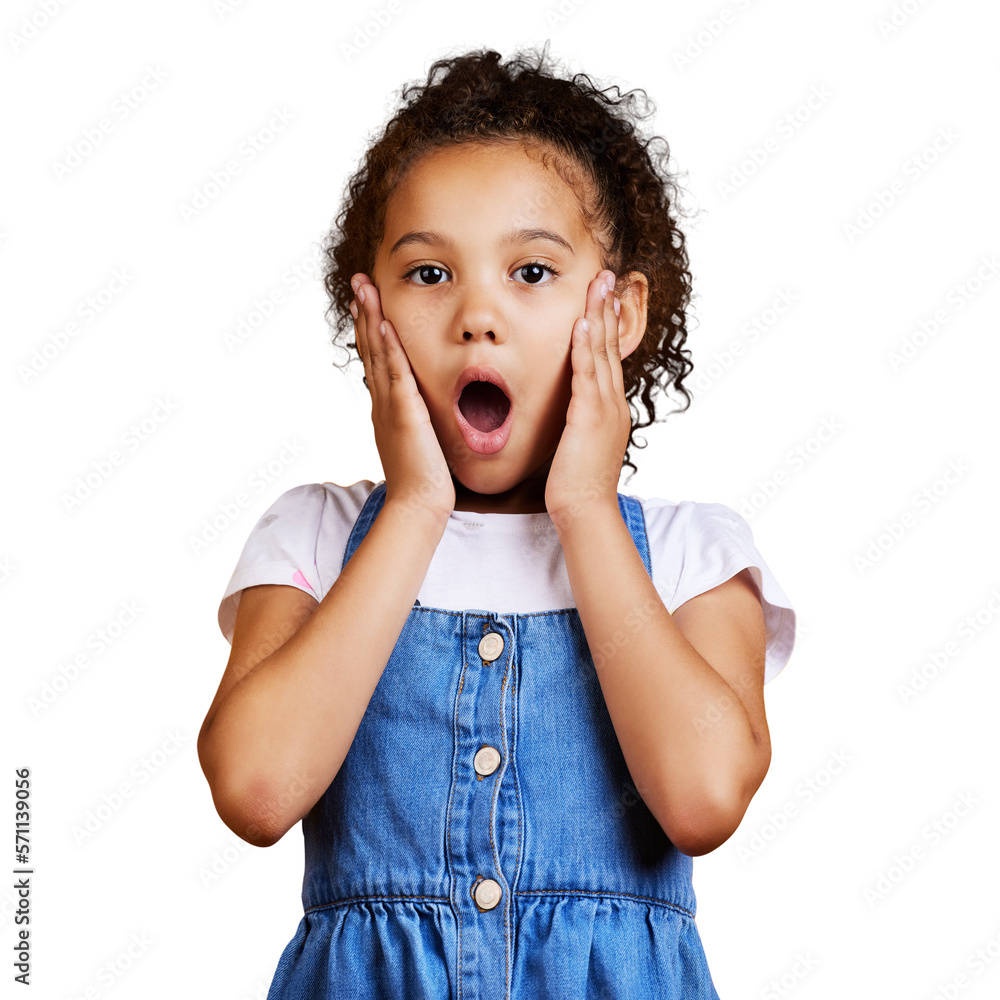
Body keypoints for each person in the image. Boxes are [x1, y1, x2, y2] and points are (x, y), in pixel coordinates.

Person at [198, 44, 796, 999]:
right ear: (370, 314)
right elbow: (256, 791)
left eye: (531, 272)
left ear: (623, 310)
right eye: (429, 275)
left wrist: (587, 511)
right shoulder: (316, 537)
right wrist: (416, 508)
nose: (478, 314)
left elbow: (703, 799)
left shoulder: (690, 554)